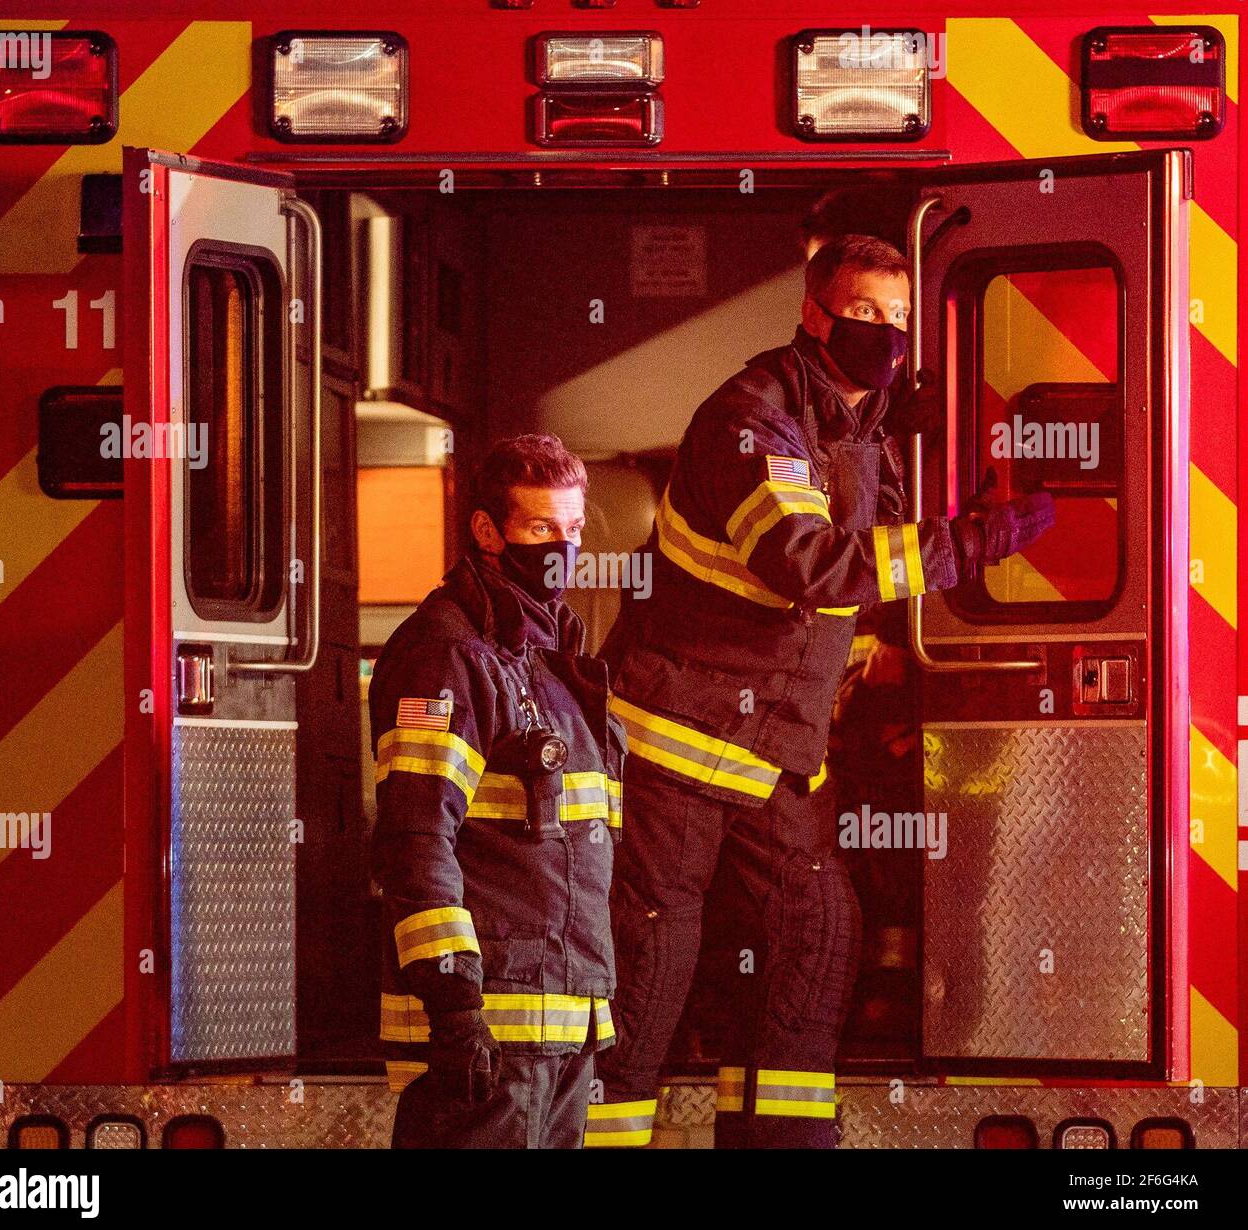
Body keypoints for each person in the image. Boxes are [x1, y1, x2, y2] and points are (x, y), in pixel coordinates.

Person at [585, 233, 1054, 1149]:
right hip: (676, 746)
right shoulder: (750, 422)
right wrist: (974, 543)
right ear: (814, 314)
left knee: (813, 931)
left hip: (773, 753)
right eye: (865, 312)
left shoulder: (853, 426)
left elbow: (870, 566)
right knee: (650, 960)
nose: (883, 332)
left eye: (898, 317)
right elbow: (811, 564)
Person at [370, 433, 625, 1149]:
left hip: (565, 1016)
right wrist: (454, 1005)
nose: (562, 547)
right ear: (487, 529)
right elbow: (416, 839)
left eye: (572, 529)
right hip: (489, 1025)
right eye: (541, 528)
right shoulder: (447, 655)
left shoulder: (548, 658)